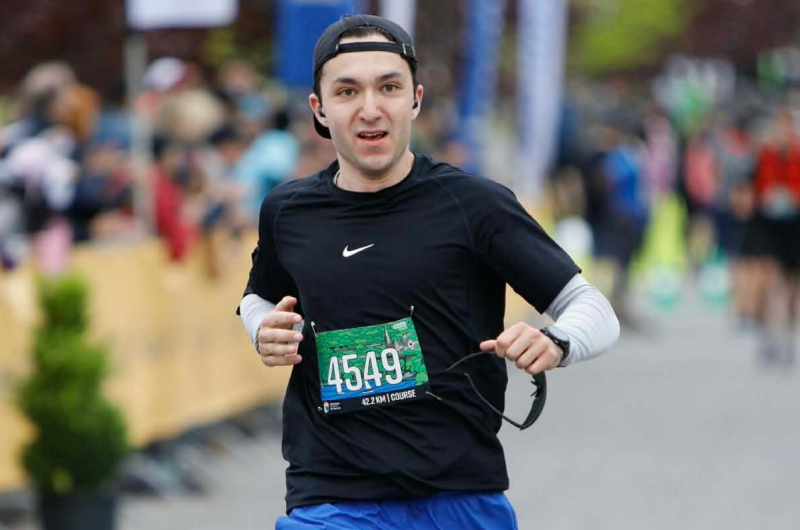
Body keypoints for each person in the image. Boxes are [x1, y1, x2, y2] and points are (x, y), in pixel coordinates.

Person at [238, 15, 620, 529]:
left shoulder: (474, 205)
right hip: (330, 494)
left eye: (388, 87)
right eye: (347, 91)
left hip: (457, 494)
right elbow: (257, 298)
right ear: (319, 109)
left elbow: (593, 308)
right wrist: (262, 329)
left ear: (415, 99)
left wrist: (557, 341)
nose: (370, 108)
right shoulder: (288, 211)